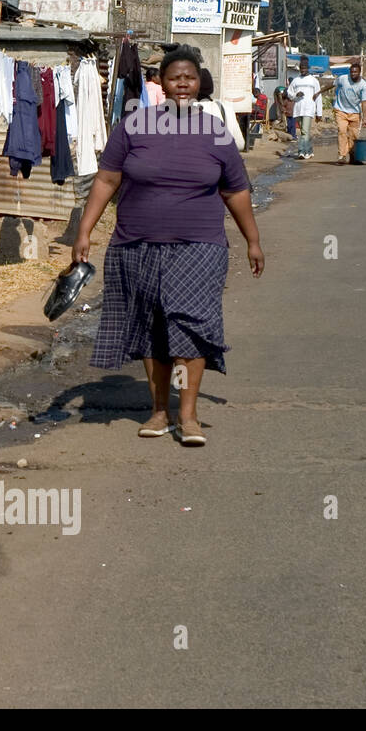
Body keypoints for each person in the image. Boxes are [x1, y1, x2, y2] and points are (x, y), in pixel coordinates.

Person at [74, 45, 264, 447]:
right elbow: (107, 181)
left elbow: (236, 191)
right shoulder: (133, 126)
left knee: (192, 327)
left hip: (199, 246)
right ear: (160, 81)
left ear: (199, 84)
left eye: (190, 78)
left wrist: (253, 240)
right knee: (150, 327)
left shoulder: (215, 132)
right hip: (135, 245)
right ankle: (159, 410)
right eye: (174, 76)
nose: (182, 83)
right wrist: (85, 231)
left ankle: (188, 416)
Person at [332, 60, 366, 165]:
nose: (353, 74)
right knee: (342, 131)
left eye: (355, 72)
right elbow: (332, 84)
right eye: (352, 72)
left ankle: (353, 156)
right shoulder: (343, 79)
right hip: (341, 110)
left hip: (355, 113)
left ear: (359, 72)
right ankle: (342, 156)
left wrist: (365, 119)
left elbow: (365, 103)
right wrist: (319, 92)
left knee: (353, 135)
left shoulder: (364, 86)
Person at [288, 57, 322, 159]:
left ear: (308, 68)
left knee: (305, 131)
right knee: (304, 131)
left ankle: (301, 151)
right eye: (301, 68)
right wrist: (296, 94)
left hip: (309, 109)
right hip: (298, 109)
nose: (303, 70)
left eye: (304, 68)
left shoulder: (314, 81)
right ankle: (310, 150)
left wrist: (319, 113)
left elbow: (318, 96)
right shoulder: (295, 80)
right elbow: (289, 93)